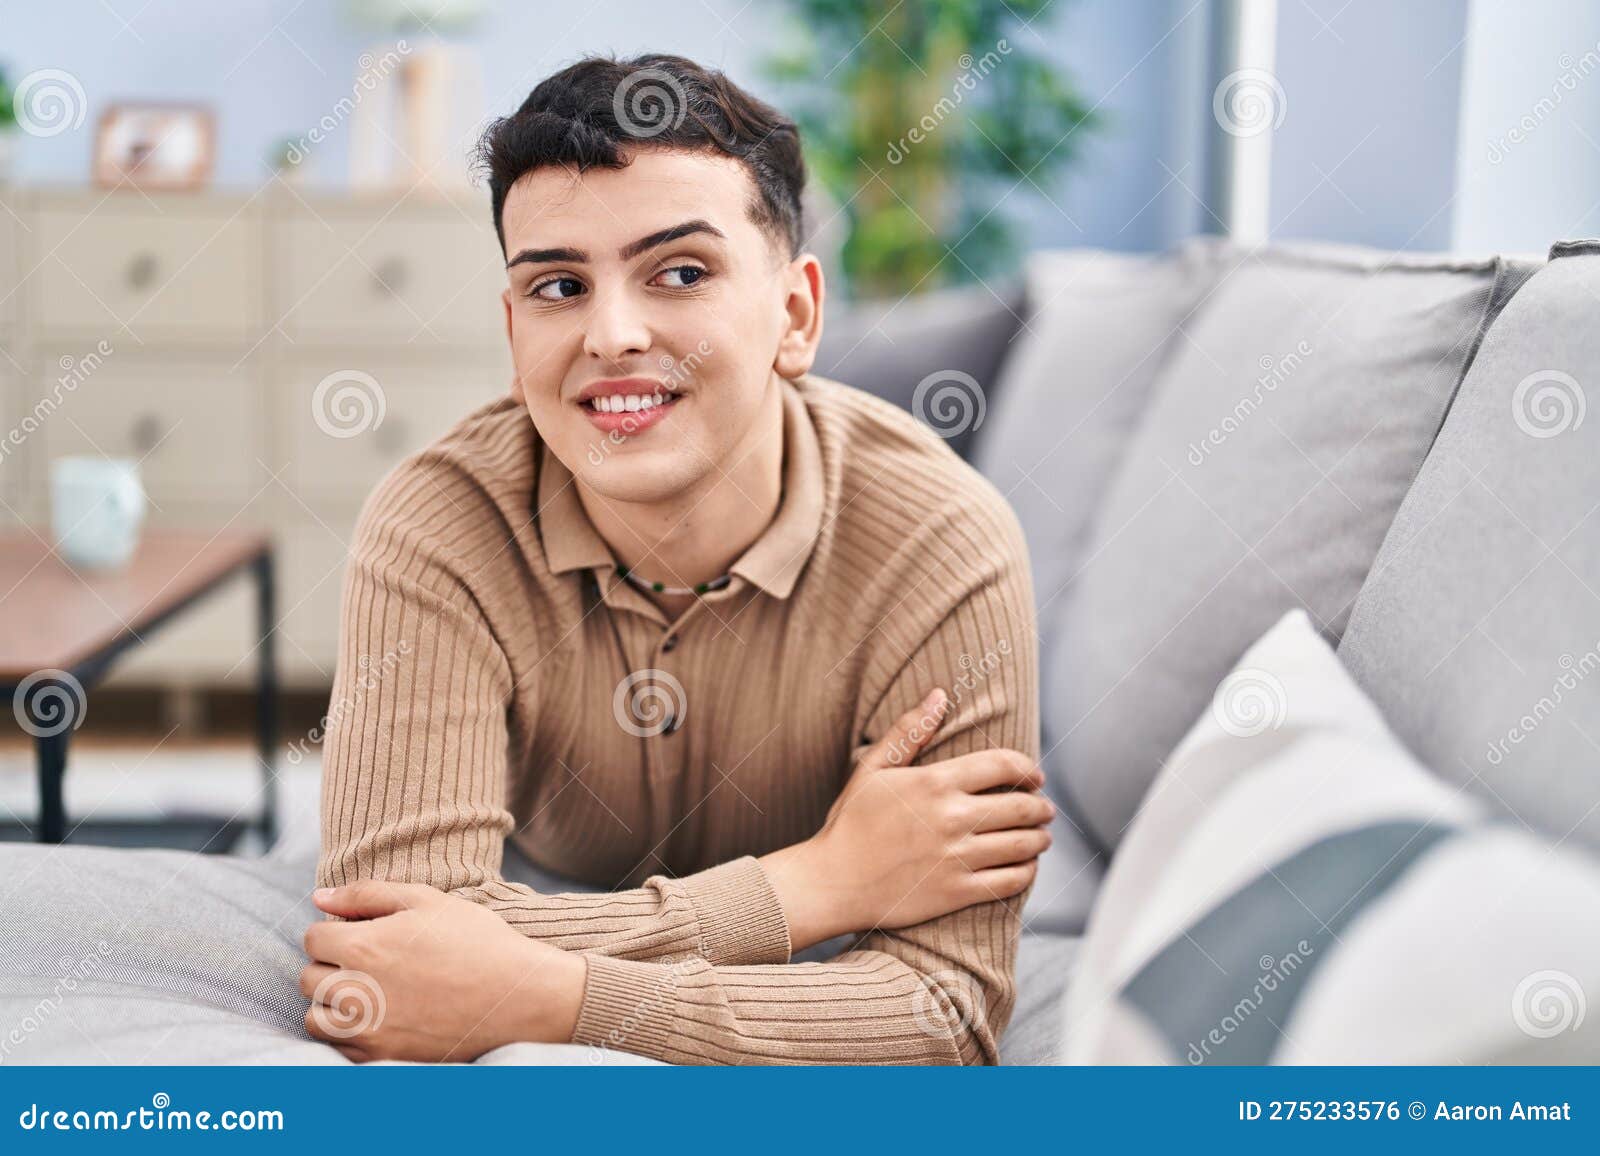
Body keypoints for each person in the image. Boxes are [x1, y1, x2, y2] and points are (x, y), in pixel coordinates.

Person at [301, 52, 1052, 1066]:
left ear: (795, 314)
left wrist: (560, 999)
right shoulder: (439, 524)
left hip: (541, 906)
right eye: (560, 285)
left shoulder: (943, 543)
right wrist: (816, 886)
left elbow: (944, 1015)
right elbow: (381, 957)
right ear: (514, 329)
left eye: (680, 273)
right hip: (572, 865)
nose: (611, 334)